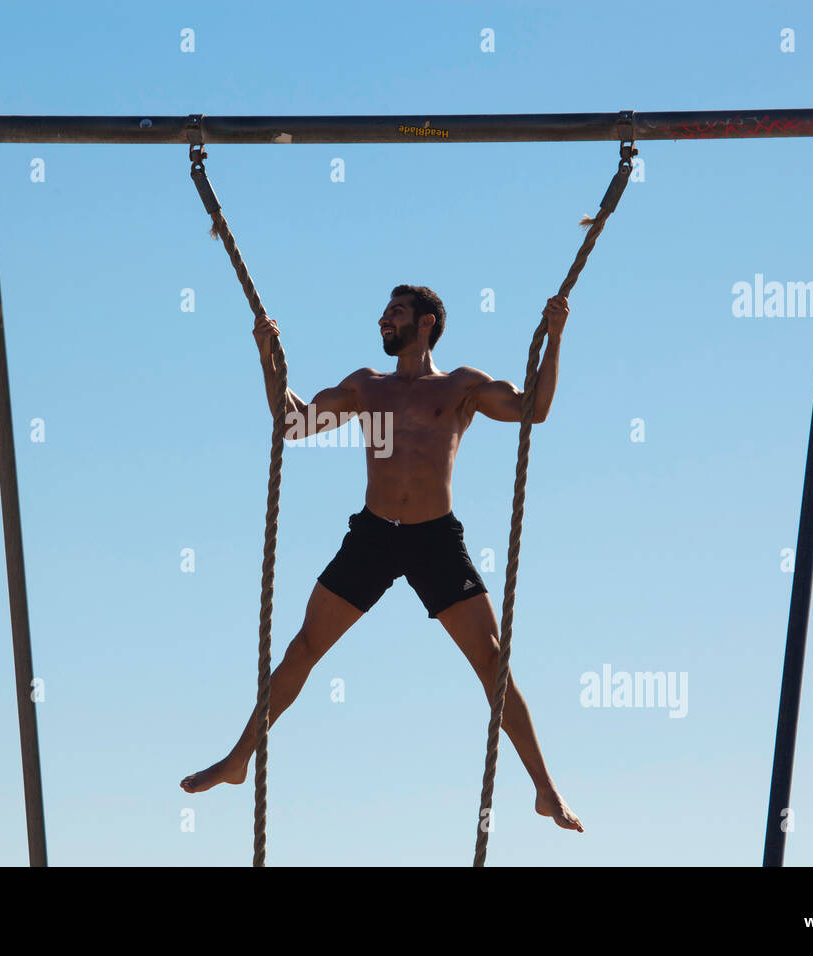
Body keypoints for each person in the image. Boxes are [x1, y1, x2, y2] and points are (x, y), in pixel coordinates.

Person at [180, 284, 583, 833]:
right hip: (374, 536)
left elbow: (532, 409)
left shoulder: (462, 385)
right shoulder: (368, 386)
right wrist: (266, 353)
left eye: (394, 312)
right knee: (304, 646)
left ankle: (544, 788)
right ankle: (237, 760)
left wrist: (555, 339)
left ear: (427, 322)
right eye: (384, 312)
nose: (382, 320)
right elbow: (293, 421)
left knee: (492, 660)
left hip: (435, 540)